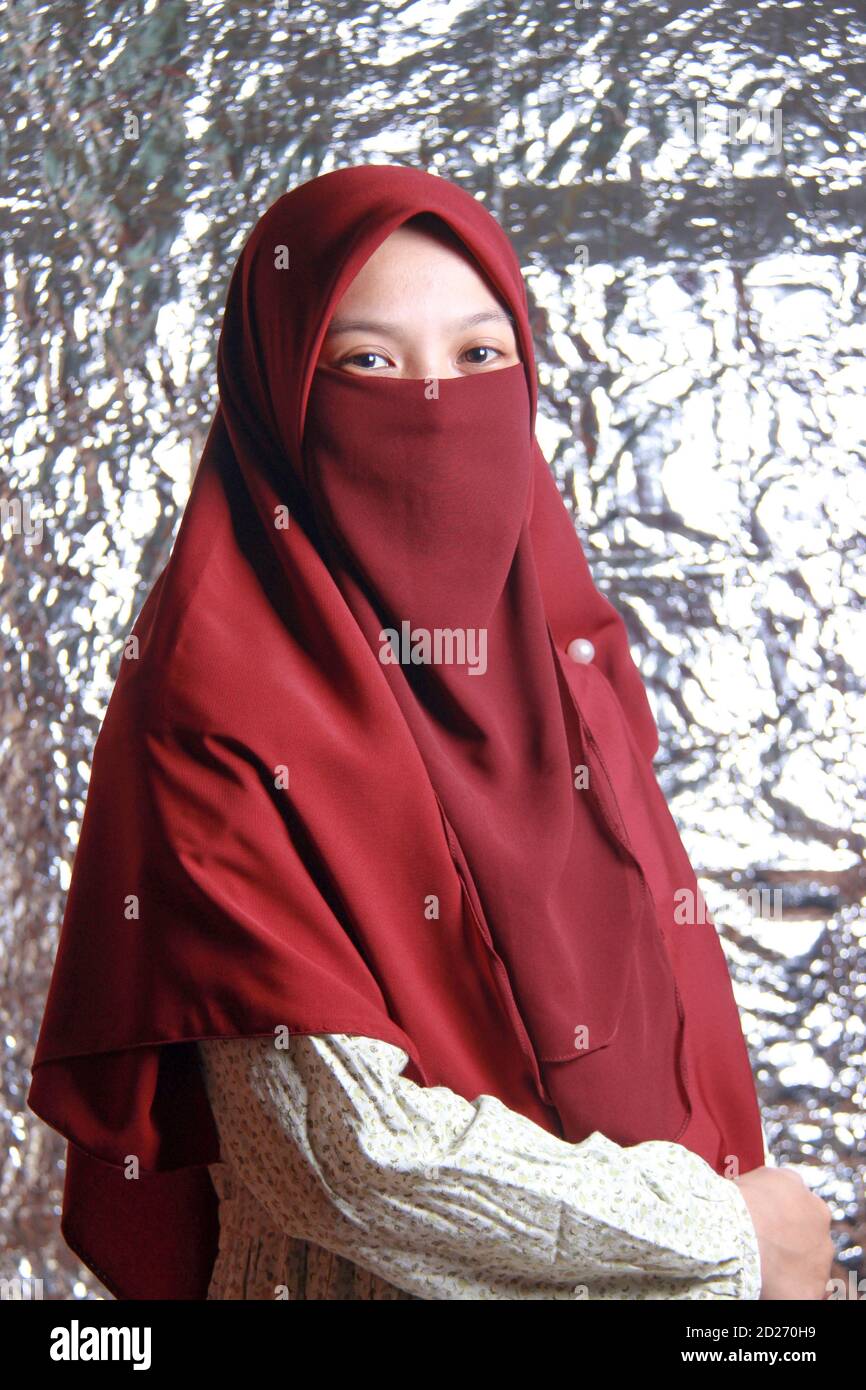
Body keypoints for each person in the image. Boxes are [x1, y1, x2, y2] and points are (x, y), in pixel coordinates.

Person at [27, 164, 833, 1301]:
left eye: (478, 355)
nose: (433, 403)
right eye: (365, 362)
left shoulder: (567, 669)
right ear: (277, 400)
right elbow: (343, 1158)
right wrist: (723, 1241)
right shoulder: (211, 713)